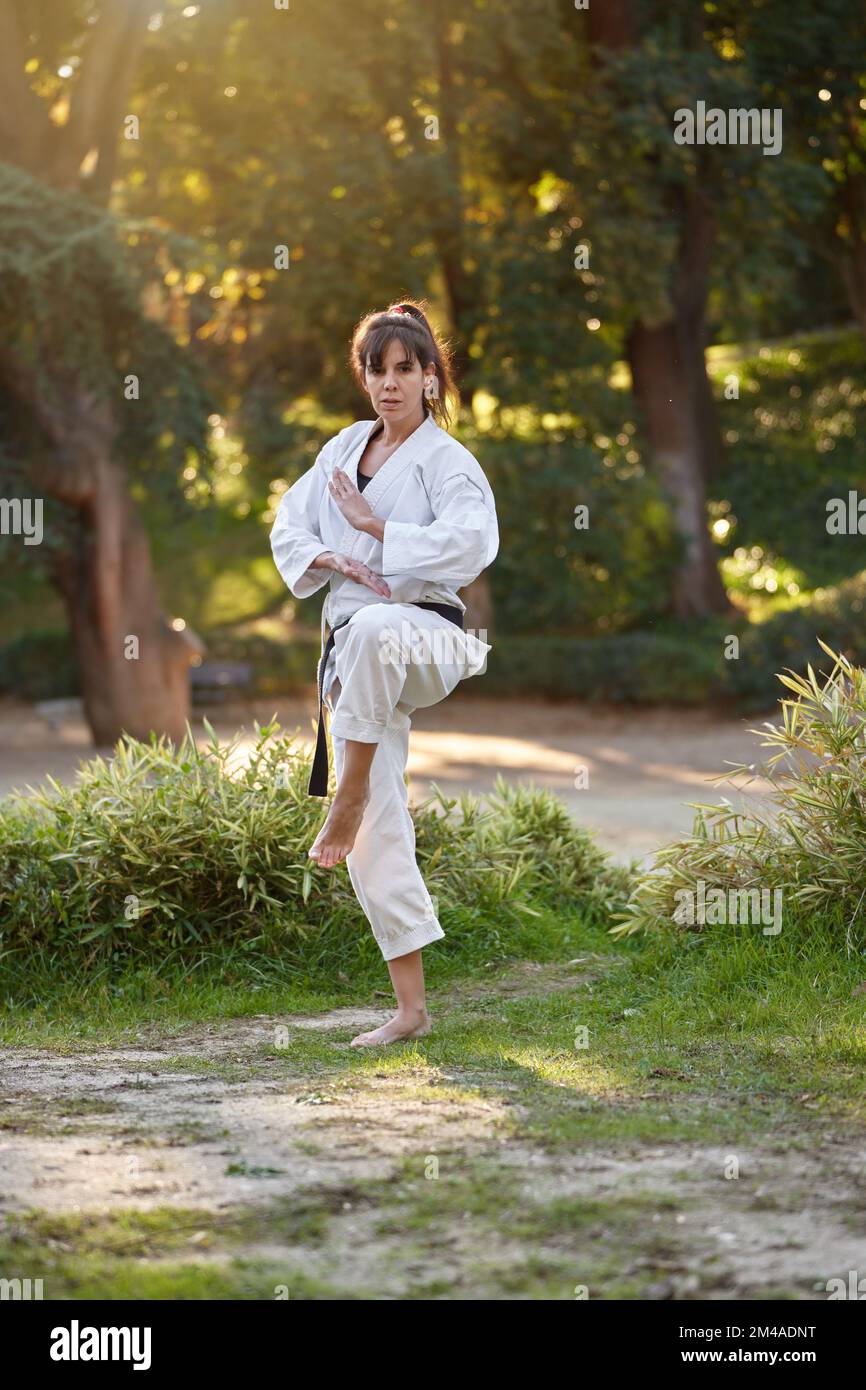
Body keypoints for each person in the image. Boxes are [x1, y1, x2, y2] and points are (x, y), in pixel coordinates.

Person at [269, 299, 499, 1046]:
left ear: (431, 379)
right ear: (364, 377)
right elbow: (289, 522)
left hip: (425, 637)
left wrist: (378, 531)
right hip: (357, 649)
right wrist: (328, 555)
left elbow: (472, 545)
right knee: (376, 830)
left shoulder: (448, 463)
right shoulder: (341, 449)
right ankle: (411, 1011)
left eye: (406, 369)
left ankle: (349, 786)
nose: (390, 383)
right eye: (377, 369)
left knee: (372, 626)